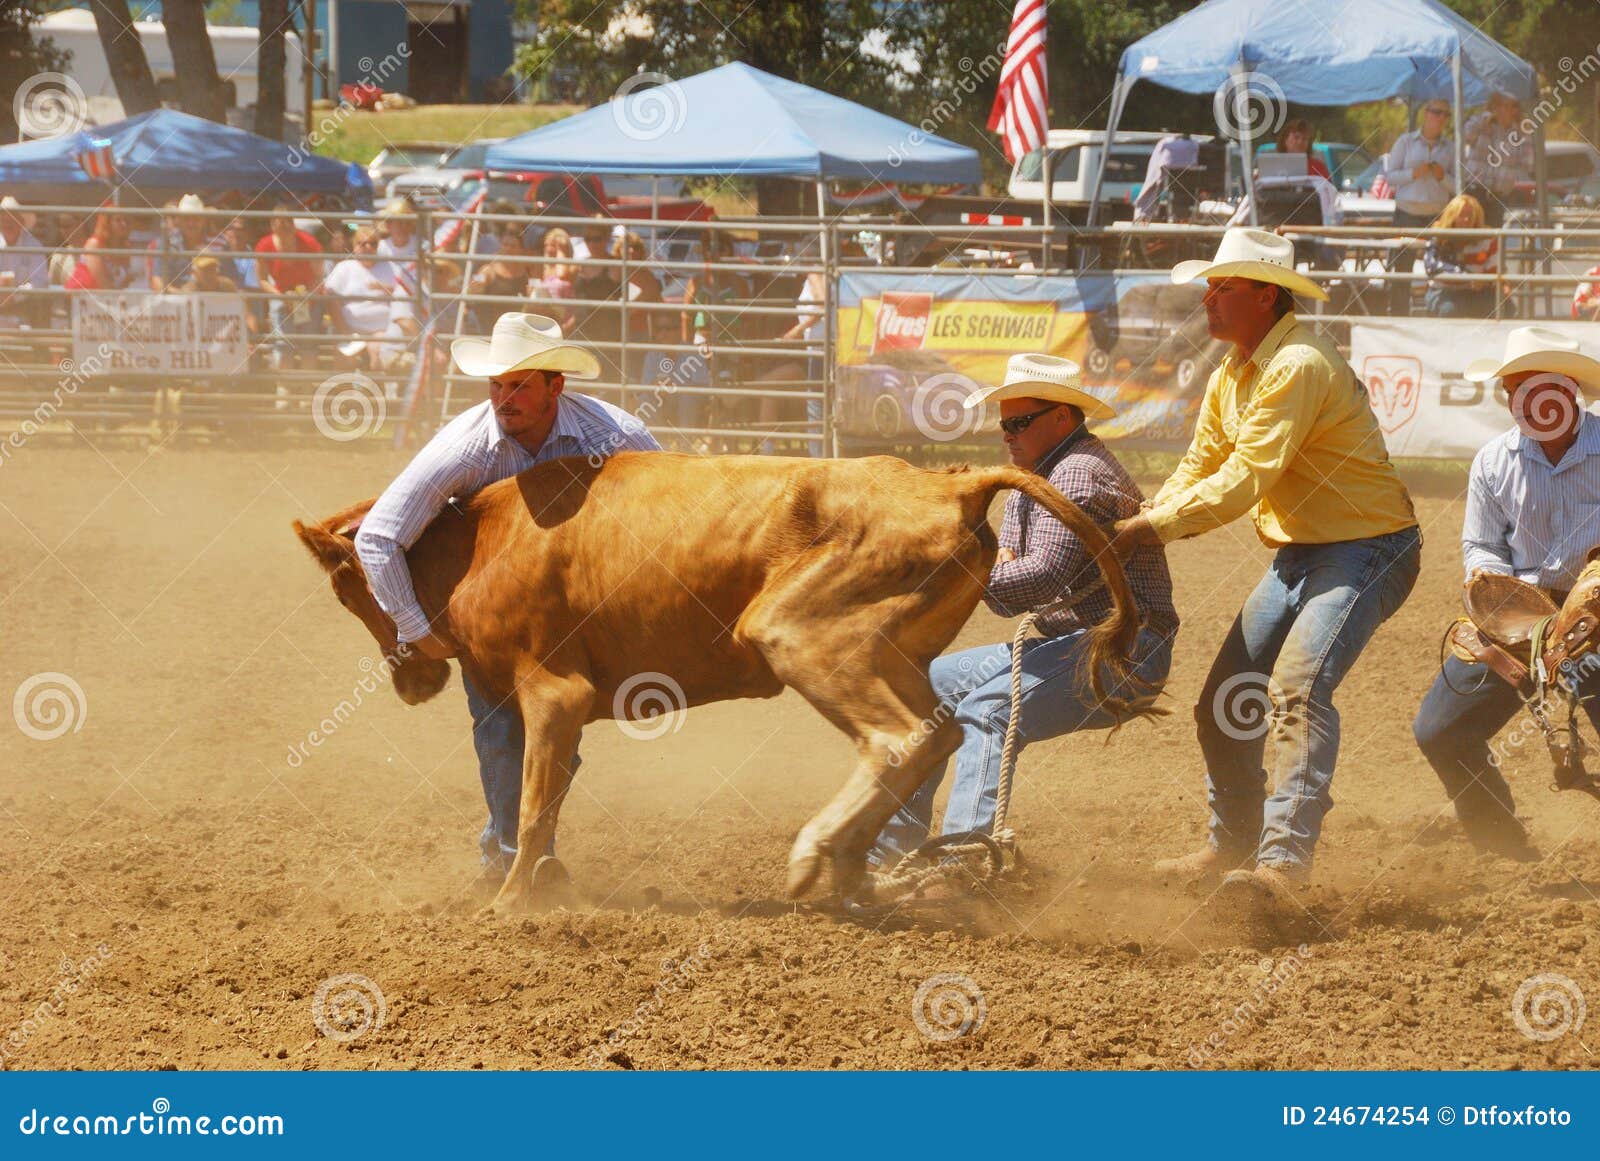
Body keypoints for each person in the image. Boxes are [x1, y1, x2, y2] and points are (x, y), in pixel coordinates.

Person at [1110, 228, 1421, 913]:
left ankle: (1282, 865)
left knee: (1298, 689)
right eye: (1210, 285)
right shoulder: (1235, 374)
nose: (1208, 297)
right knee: (1224, 703)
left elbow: (1248, 477)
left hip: (1370, 547)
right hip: (1304, 552)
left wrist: (1149, 528)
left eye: (1223, 286)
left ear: (1266, 294)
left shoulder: (1298, 365)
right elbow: (1203, 464)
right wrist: (1152, 509)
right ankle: (1236, 845)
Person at [353, 313, 661, 874]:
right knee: (500, 727)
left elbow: (668, 511)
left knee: (556, 733)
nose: (504, 397)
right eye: (497, 385)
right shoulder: (469, 448)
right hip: (492, 609)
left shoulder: (615, 437)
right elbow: (377, 536)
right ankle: (520, 854)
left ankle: (509, 849)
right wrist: (418, 631)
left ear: (556, 386)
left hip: (579, 610)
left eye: (519, 385)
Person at [868, 355, 1177, 872]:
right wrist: (999, 571)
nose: (1007, 434)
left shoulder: (1076, 474)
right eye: (1004, 424)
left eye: (1020, 423)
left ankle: (964, 862)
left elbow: (1038, 579)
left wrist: (972, 572)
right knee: (922, 687)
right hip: (1072, 643)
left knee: (986, 711)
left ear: (1062, 417)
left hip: (1125, 649)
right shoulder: (1033, 476)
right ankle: (889, 851)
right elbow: (1012, 587)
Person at [1413, 328, 1600, 862]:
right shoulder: (1494, 462)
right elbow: (1481, 544)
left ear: (1569, 390)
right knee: (1439, 731)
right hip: (1519, 617)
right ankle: (1501, 843)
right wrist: (1503, 597)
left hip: (1599, 614)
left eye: (1537, 386)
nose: (1527, 399)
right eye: (1515, 388)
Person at [255, 208, 325, 370]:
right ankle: (284, 388)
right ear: (273, 226)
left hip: (308, 296)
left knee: (308, 346)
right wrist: (280, 296)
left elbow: (318, 276)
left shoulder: (309, 243)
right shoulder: (265, 245)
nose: (285, 229)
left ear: (293, 225)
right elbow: (262, 280)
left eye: (288, 224)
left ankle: (307, 388)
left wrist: (306, 297)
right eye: (280, 225)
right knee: (282, 345)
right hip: (282, 295)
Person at [1422, 194, 1498, 318]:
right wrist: (1468, 278)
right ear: (1452, 216)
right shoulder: (1438, 237)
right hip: (1443, 291)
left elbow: (1493, 270)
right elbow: (1432, 267)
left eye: (1470, 216)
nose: (1467, 220)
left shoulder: (1487, 239)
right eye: (1462, 215)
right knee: (1451, 309)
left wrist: (1484, 281)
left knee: (1504, 306)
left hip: (1475, 292)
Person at [1463, 93, 1533, 226]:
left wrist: (1507, 176)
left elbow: (1527, 166)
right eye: (1503, 105)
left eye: (1514, 106)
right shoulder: (1480, 124)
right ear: (1495, 106)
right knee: (1470, 236)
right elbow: (1464, 135)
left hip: (1500, 195)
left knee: (1493, 239)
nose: (1510, 110)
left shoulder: (1522, 133)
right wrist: (1484, 118)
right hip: (1473, 191)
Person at [323, 225, 396, 352]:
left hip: (381, 329)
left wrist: (383, 287)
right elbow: (329, 295)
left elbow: (402, 296)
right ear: (354, 247)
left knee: (378, 351)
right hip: (350, 329)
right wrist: (343, 331)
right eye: (362, 244)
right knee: (346, 359)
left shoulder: (389, 267)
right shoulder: (344, 267)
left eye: (372, 244)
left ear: (377, 247)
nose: (368, 247)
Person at [1384, 100, 1456, 227]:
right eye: (1437, 112)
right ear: (1426, 113)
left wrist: (1442, 177)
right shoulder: (1405, 142)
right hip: (1406, 214)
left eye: (1446, 114)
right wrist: (1413, 174)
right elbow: (1389, 178)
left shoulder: (1451, 148)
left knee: (1435, 248)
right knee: (1406, 247)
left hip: (1438, 216)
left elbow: (1459, 187)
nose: (1441, 117)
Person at [148, 194, 223, 292]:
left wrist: (213, 282)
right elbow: (157, 282)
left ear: (204, 220)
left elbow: (231, 281)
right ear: (179, 220)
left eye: (196, 218)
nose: (191, 223)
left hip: (213, 301)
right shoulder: (165, 243)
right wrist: (182, 296)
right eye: (186, 218)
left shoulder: (220, 243)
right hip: (175, 302)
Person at [0, 196, 48, 329]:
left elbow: (40, 282)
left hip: (25, 308)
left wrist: (14, 296)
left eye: (12, 219)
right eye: (3, 219)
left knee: (38, 303)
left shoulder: (34, 245)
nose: (7, 224)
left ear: (21, 222)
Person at [66, 210, 134, 292]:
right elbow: (103, 283)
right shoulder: (94, 244)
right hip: (80, 296)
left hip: (107, 298)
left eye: (126, 220)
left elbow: (128, 281)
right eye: (118, 220)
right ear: (107, 223)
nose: (124, 224)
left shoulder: (126, 247)